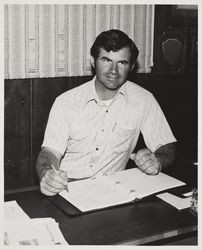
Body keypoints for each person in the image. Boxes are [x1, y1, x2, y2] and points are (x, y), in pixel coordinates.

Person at [36, 29, 177, 196]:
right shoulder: (66, 102)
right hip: (68, 189)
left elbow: (167, 146)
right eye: (106, 60)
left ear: (131, 66)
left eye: (122, 63)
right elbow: (50, 152)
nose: (114, 70)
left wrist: (157, 160)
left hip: (114, 192)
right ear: (93, 61)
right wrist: (47, 173)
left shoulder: (144, 100)